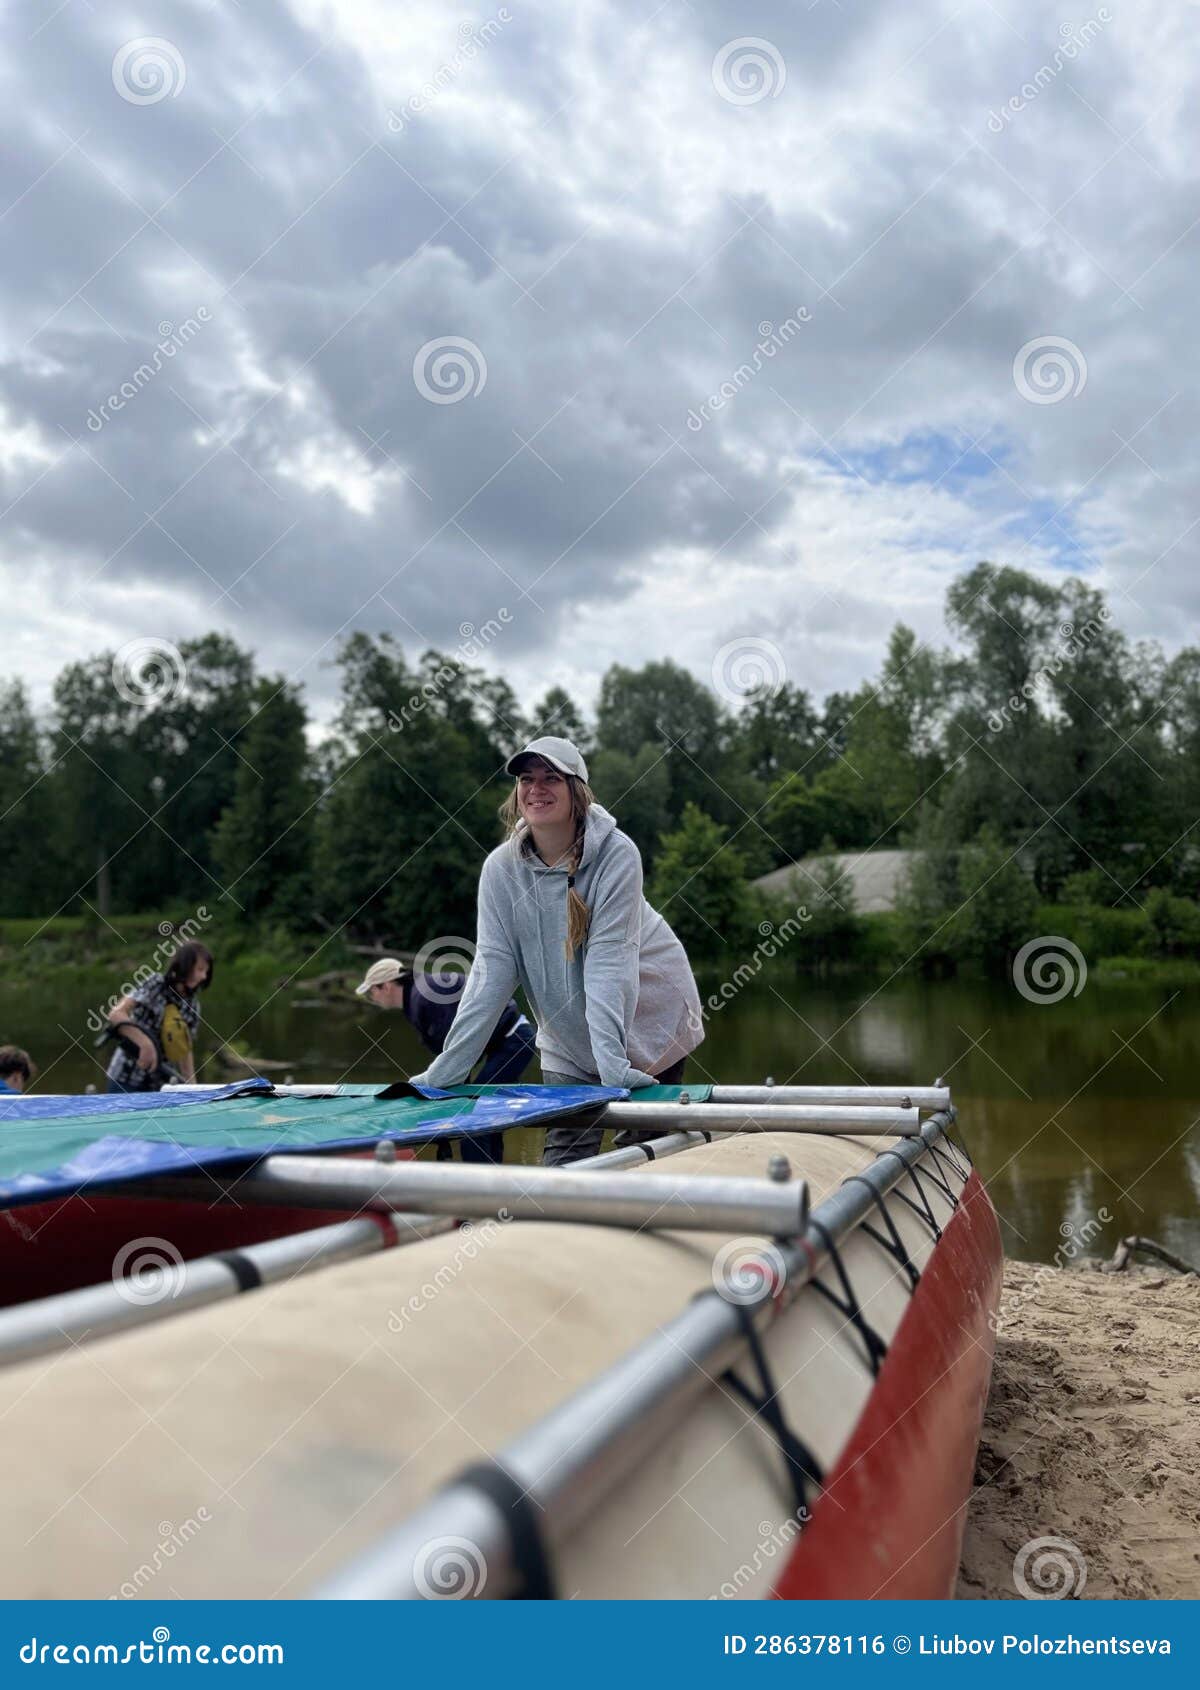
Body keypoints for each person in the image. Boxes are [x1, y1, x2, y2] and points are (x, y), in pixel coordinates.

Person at [410, 736, 704, 1165]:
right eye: (527, 779)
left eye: (551, 778)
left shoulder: (617, 855)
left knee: (639, 1151)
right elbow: (492, 971)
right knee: (565, 1154)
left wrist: (612, 1065)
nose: (536, 788)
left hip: (648, 1015)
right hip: (566, 1029)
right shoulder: (500, 870)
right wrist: (448, 1070)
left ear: (577, 792)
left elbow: (609, 962)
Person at [355, 957, 537, 1163]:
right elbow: (457, 1053)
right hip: (503, 1040)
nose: (372, 997)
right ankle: (490, 1177)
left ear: (386, 986)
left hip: (512, 1039)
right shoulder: (420, 994)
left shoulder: (424, 998)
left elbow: (458, 1052)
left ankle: (480, 1183)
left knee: (475, 1120)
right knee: (483, 1112)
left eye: (371, 992)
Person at [104, 943, 213, 1092]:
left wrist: (192, 1088)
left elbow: (185, 1051)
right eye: (200, 969)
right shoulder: (156, 984)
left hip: (157, 1084)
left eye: (206, 971)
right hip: (124, 1078)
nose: (203, 976)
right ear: (185, 966)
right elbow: (116, 1014)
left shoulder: (193, 1006)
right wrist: (145, 1043)